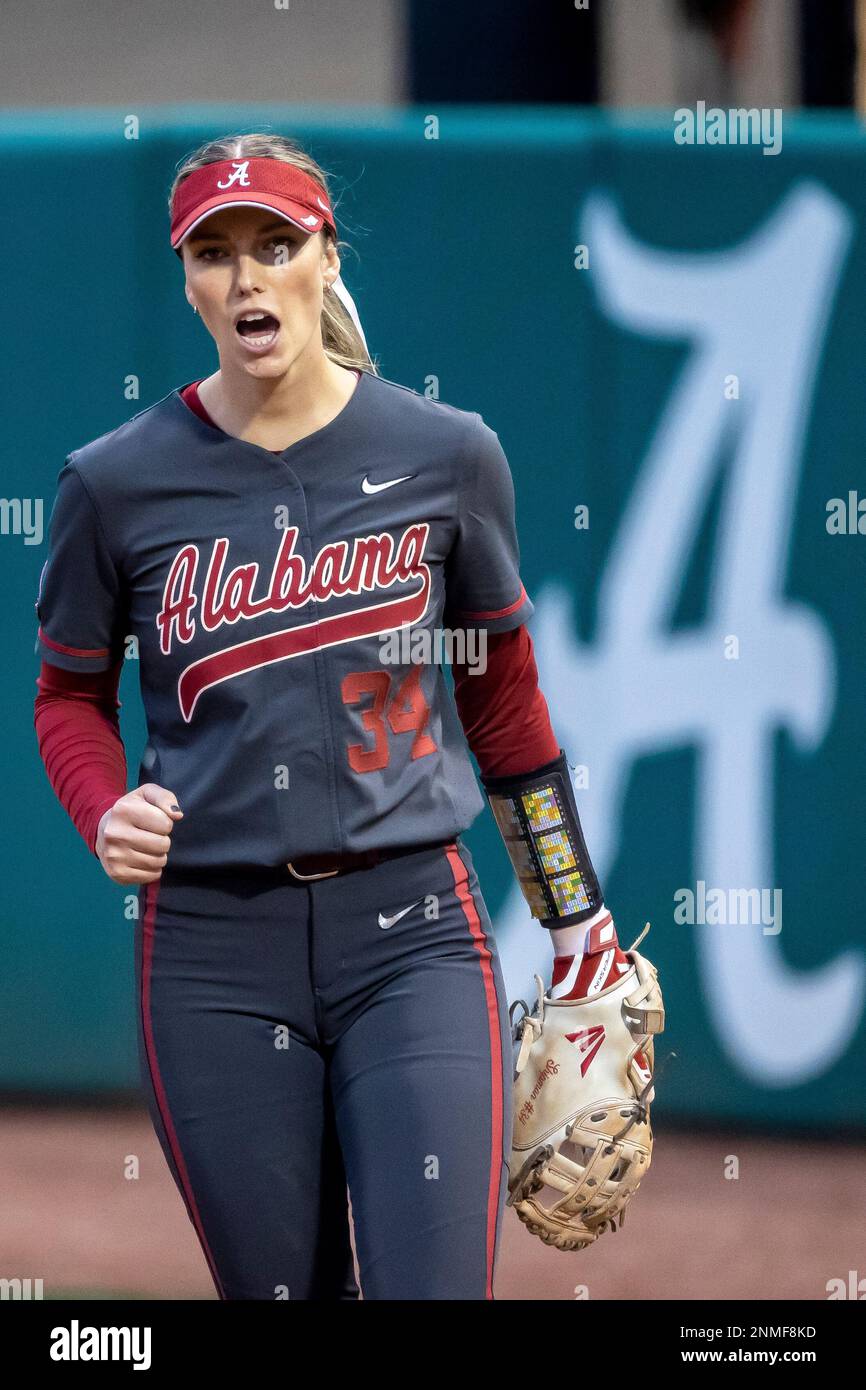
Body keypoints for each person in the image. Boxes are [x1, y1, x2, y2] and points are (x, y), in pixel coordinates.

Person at [33, 131, 633, 1301]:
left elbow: (500, 697)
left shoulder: (446, 455)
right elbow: (68, 693)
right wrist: (102, 809)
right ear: (189, 279)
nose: (246, 276)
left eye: (274, 242)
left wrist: (575, 920)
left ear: (325, 255)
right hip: (212, 951)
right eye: (215, 253)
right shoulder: (113, 483)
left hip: (410, 934)